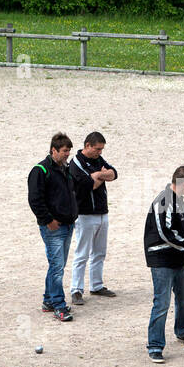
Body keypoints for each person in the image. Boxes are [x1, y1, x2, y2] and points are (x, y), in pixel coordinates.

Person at [144, 166, 184, 363]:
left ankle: (183, 331)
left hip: (178, 259)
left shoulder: (177, 200)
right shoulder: (164, 200)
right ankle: (155, 346)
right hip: (163, 261)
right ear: (183, 181)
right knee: (161, 304)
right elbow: (166, 233)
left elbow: (180, 228)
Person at [28, 132, 79, 321]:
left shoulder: (64, 169)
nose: (67, 154)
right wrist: (48, 220)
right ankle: (59, 305)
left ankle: (49, 300)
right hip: (54, 228)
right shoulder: (40, 170)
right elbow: (35, 199)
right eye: (65, 151)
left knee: (57, 265)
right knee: (57, 267)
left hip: (67, 225)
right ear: (54, 150)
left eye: (68, 151)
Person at [68, 131, 119, 304]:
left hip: (102, 213)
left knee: (100, 252)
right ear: (87, 145)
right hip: (84, 214)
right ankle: (76, 289)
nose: (100, 153)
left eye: (102, 149)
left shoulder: (97, 160)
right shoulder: (76, 163)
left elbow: (114, 174)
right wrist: (100, 176)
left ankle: (96, 285)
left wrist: (99, 175)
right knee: (82, 253)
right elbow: (87, 184)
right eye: (97, 149)